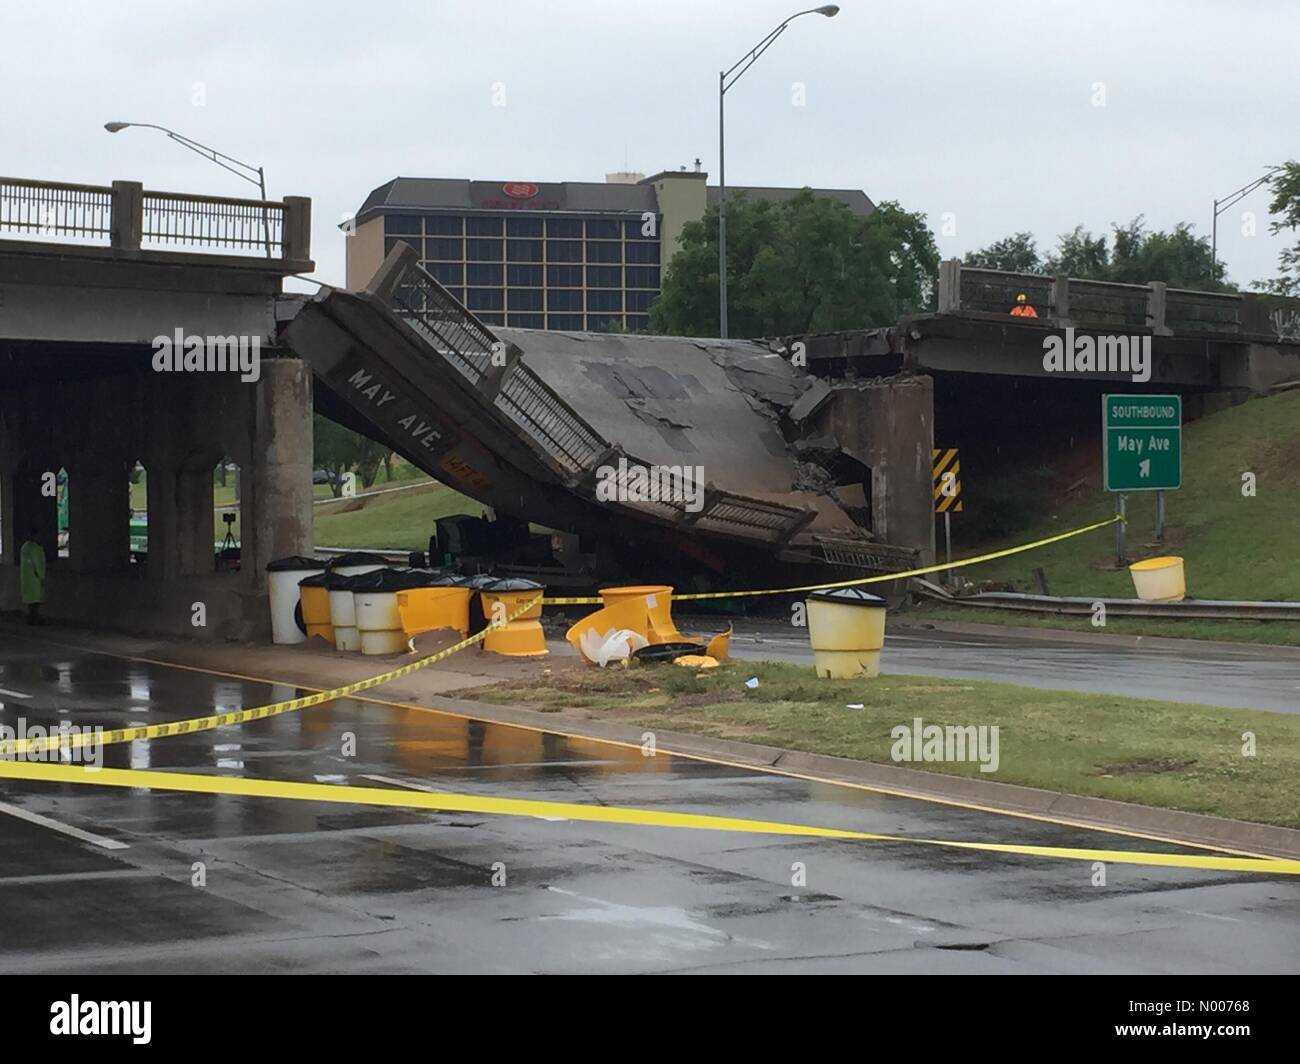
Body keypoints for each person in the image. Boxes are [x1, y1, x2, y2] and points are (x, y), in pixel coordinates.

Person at [19, 527, 46, 625]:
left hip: (26, 577)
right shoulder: (36, 548)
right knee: (36, 599)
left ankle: (31, 617)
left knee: (30, 600)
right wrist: (41, 576)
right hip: (35, 578)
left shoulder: (25, 547)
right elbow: (37, 563)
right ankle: (35, 618)